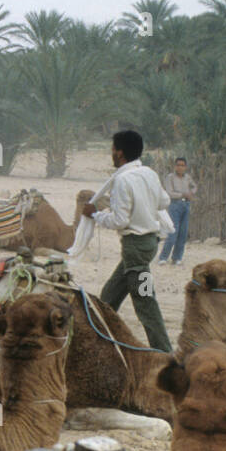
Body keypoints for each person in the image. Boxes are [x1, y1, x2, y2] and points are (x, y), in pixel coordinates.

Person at [81, 129, 173, 352]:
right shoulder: (149, 173)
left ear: (120, 153)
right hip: (148, 244)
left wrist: (96, 214)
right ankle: (97, 343)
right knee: (108, 297)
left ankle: (164, 352)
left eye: (113, 149)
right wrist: (144, 205)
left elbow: (120, 220)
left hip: (135, 248)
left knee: (146, 301)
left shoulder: (122, 180)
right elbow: (164, 202)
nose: (112, 154)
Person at [159, 157, 197, 266]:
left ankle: (177, 258)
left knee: (183, 233)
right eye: (178, 165)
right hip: (175, 205)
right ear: (175, 166)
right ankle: (163, 257)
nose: (180, 167)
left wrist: (191, 193)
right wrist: (183, 194)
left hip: (186, 205)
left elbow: (194, 186)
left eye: (182, 165)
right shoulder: (170, 178)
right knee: (172, 232)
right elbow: (169, 193)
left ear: (185, 167)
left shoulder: (187, 177)